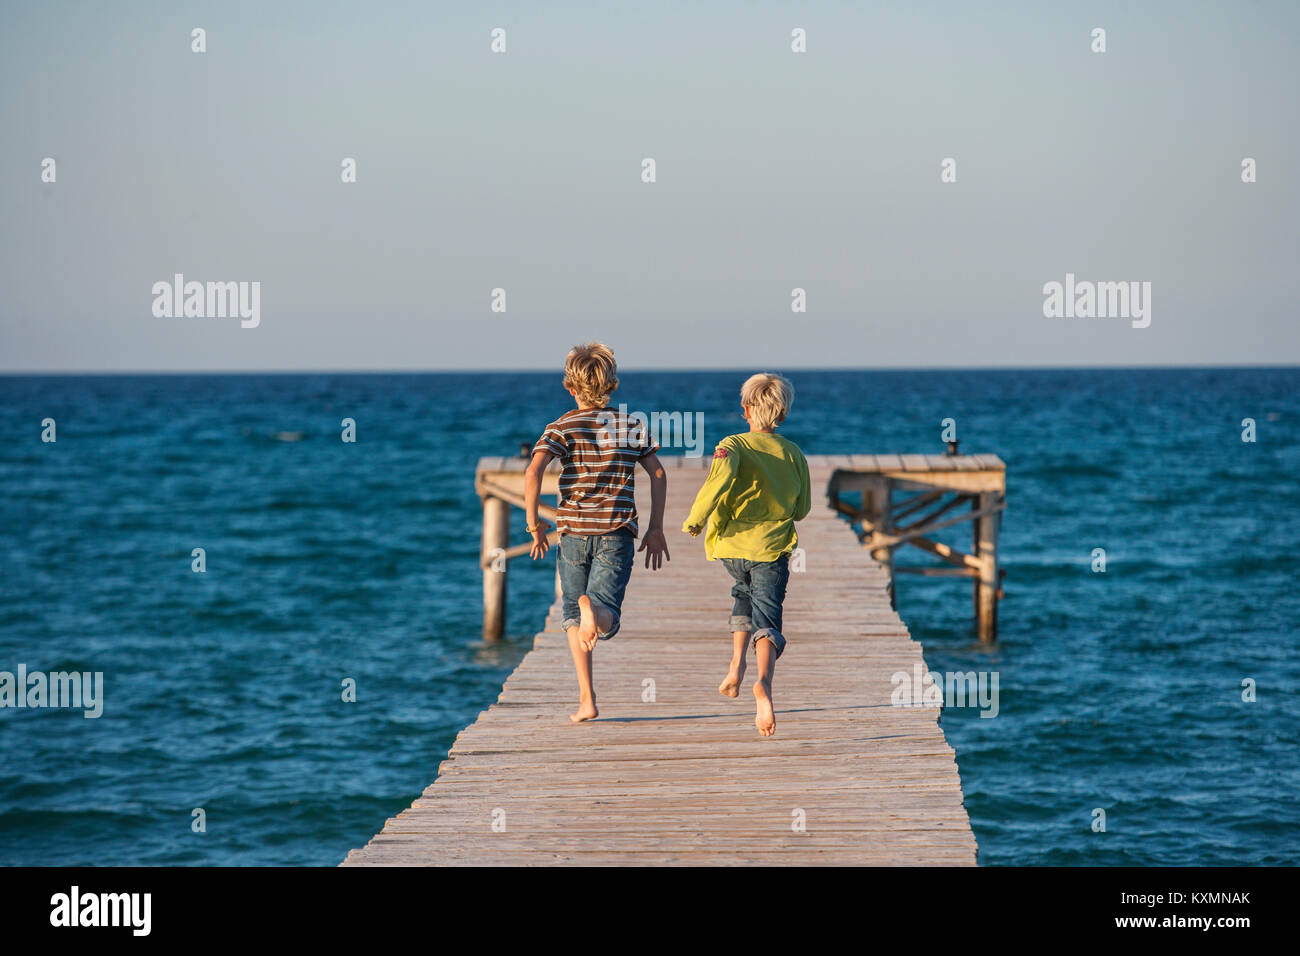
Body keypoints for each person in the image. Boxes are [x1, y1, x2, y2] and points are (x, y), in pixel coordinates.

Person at [524, 342, 670, 722]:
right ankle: (597, 610)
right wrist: (655, 528)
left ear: (570, 388)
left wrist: (534, 524)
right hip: (616, 532)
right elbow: (657, 473)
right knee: (607, 615)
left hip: (572, 531)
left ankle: (587, 699)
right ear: (613, 385)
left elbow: (533, 473)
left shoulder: (561, 426)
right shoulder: (630, 425)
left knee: (573, 616)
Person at [683, 373, 809, 736]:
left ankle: (736, 664)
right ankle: (764, 684)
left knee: (742, 594)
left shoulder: (731, 445)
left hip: (731, 549)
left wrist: (695, 520)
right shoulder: (793, 453)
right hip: (770, 550)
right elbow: (802, 509)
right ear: (782, 413)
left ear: (745, 408)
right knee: (767, 617)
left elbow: (717, 482)